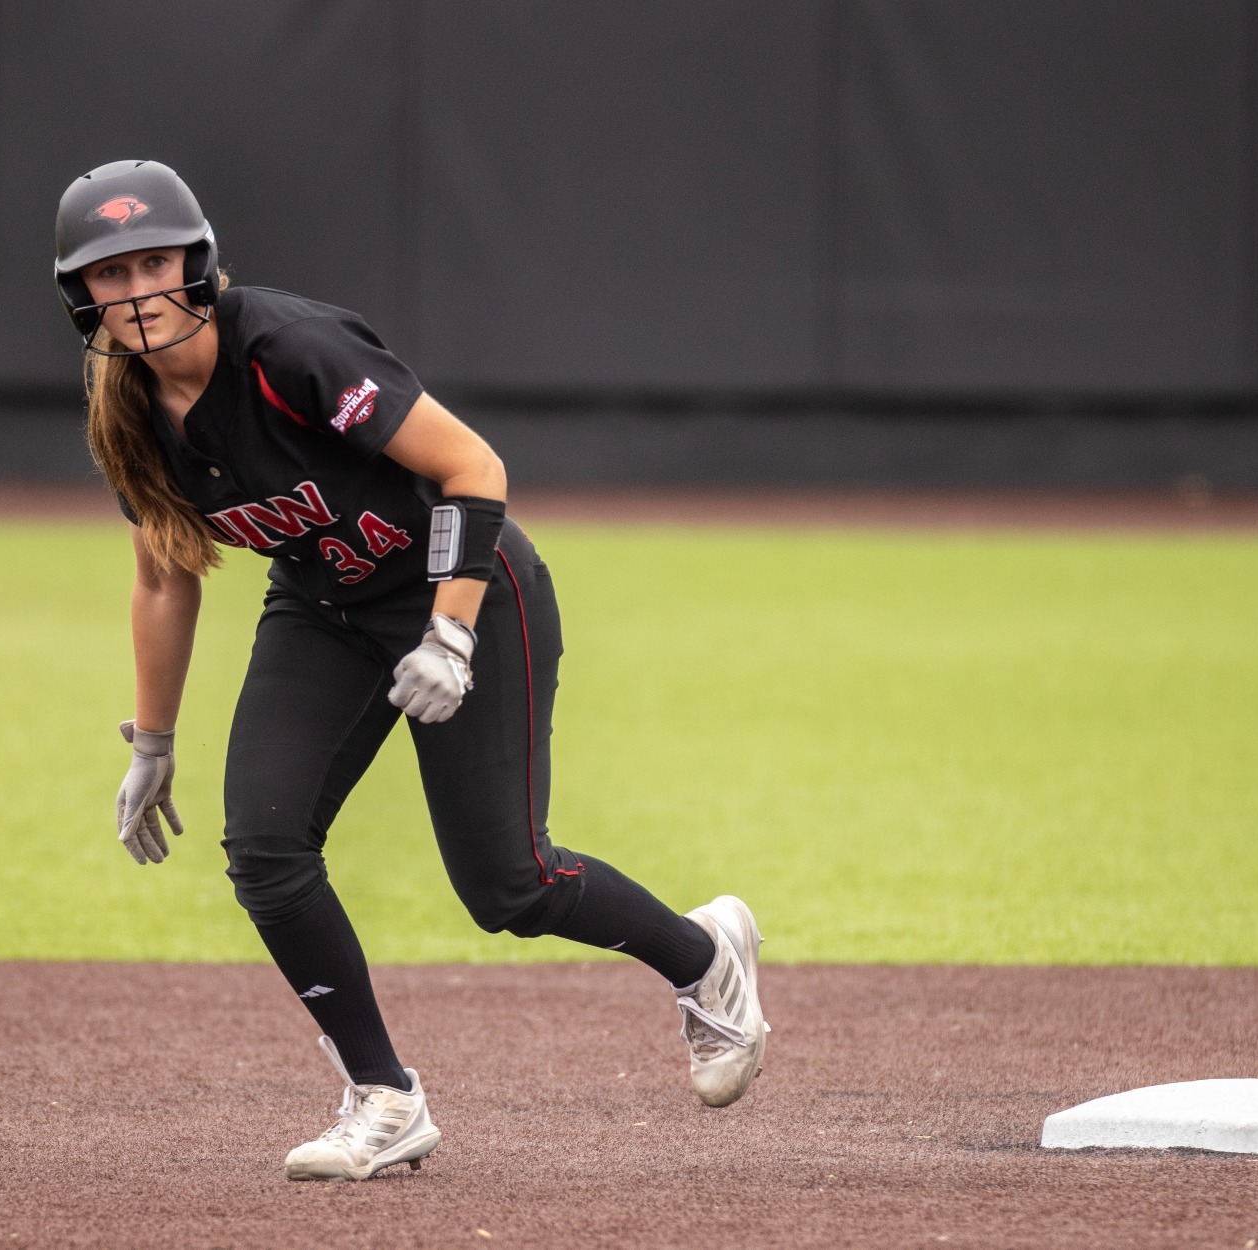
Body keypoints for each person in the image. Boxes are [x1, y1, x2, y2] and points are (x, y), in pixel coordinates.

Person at [54, 161, 769, 1182]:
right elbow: (166, 575)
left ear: (198, 260)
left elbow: (471, 467)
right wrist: (153, 740)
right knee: (262, 846)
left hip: (465, 580)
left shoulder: (287, 349)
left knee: (508, 884)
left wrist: (448, 633)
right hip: (322, 605)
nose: (137, 292)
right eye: (110, 273)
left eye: (154, 262)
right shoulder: (130, 410)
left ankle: (703, 961)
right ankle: (382, 1095)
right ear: (80, 295)